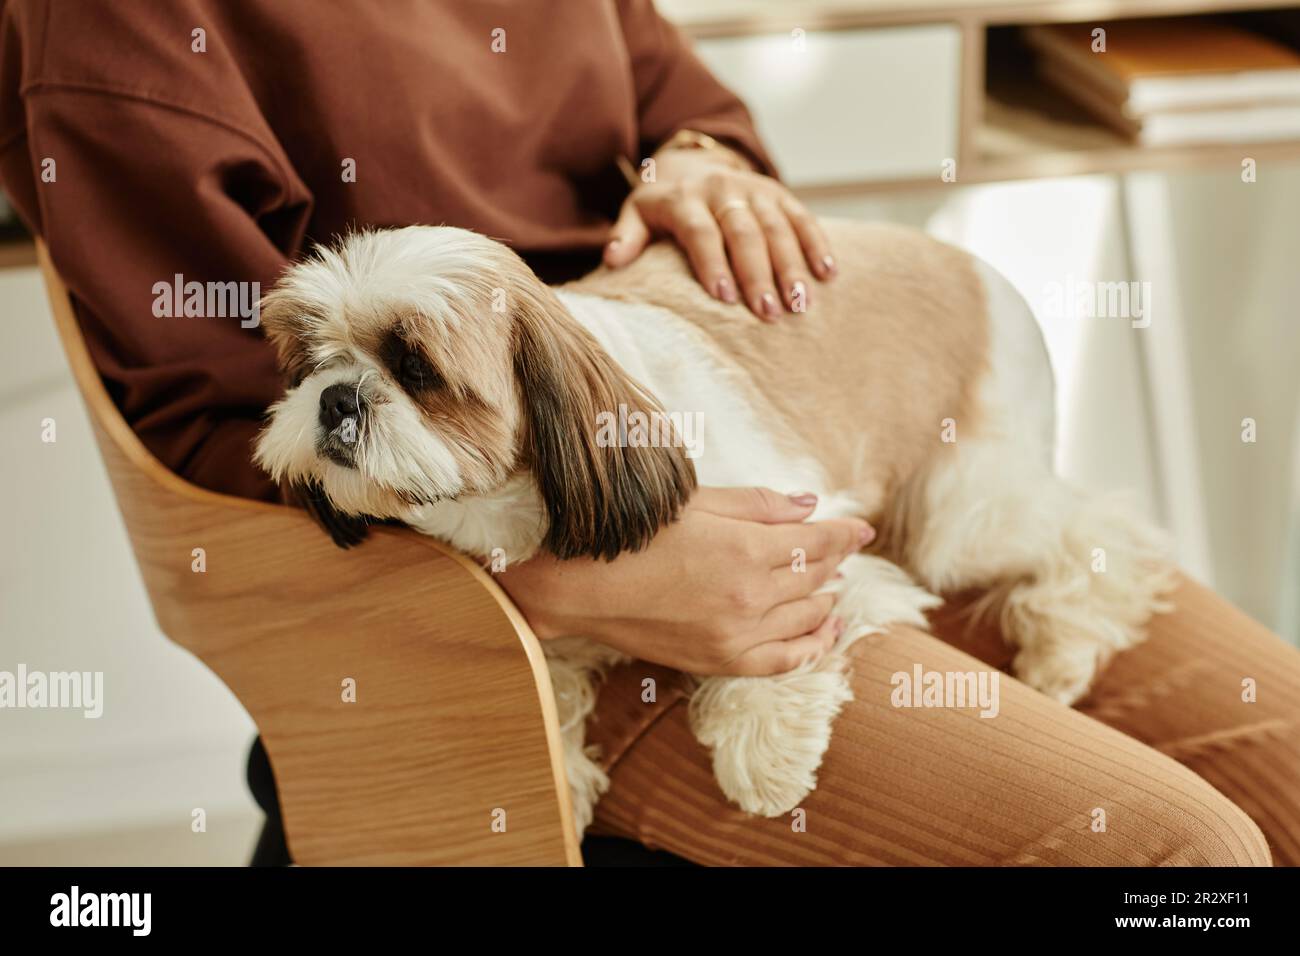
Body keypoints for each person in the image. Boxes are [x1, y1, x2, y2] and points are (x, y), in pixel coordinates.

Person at [3, 0, 1297, 866]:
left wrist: (704, 168)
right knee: (1179, 860)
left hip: (768, 447)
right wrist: (563, 583)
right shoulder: (116, 30)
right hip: (509, 590)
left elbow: (694, 111)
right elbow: (207, 454)